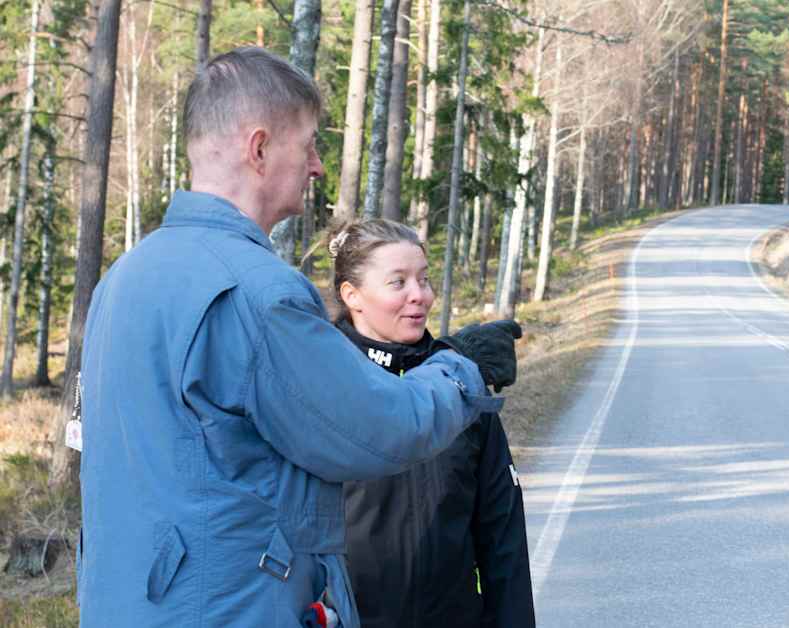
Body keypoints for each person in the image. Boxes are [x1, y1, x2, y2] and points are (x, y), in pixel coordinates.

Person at [76, 47, 520, 627]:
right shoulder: (257, 292)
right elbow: (375, 430)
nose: (316, 165)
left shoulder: (122, 278)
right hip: (225, 609)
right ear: (259, 149)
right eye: (308, 143)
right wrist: (462, 368)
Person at [326, 219, 535, 628]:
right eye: (398, 282)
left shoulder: (462, 385)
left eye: (424, 280)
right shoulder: (318, 388)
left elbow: (503, 538)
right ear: (353, 295)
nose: (419, 296)